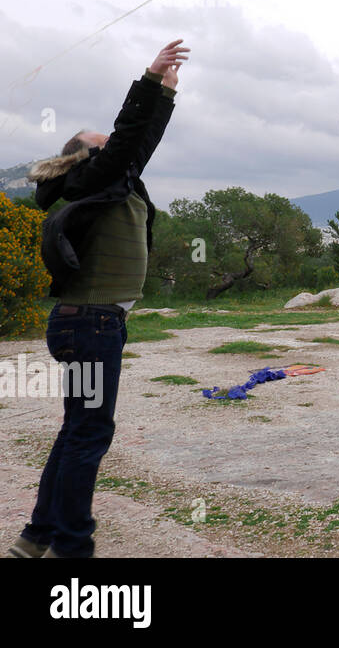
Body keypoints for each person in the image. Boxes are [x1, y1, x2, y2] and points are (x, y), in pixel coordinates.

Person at [8, 40, 188, 558]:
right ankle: (72, 548)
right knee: (88, 436)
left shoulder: (109, 182)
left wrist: (165, 95)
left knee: (77, 431)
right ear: (81, 157)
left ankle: (36, 537)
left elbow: (137, 143)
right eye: (101, 143)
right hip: (91, 325)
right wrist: (149, 83)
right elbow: (129, 140)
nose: (112, 147)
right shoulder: (91, 178)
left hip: (89, 324)